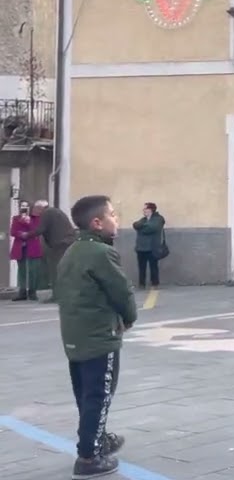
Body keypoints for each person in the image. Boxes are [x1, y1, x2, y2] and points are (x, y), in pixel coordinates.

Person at [58, 195, 137, 480]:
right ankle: (89, 456)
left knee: (86, 394)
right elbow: (122, 291)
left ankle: (98, 437)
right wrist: (128, 318)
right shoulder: (101, 254)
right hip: (99, 337)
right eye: (112, 215)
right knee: (99, 396)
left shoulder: (72, 251)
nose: (116, 219)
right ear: (97, 222)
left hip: (75, 337)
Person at [34, 200, 77, 302]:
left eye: (36, 208)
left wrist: (26, 234)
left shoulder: (47, 213)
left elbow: (41, 229)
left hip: (60, 245)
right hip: (66, 243)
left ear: (41, 208)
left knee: (56, 270)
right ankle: (63, 295)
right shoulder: (55, 211)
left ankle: (58, 296)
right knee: (62, 270)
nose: (34, 211)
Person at [10, 200, 41, 301]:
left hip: (32, 246)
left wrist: (28, 222)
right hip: (20, 246)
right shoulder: (16, 218)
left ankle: (32, 292)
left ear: (29, 208)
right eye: (22, 206)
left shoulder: (35, 218)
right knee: (21, 270)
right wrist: (22, 234)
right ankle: (22, 292)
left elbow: (36, 231)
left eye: (26, 206)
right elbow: (13, 231)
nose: (24, 208)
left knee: (33, 270)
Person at [130, 202, 165, 289]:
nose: (144, 210)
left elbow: (152, 228)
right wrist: (142, 226)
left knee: (153, 266)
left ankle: (155, 283)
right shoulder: (144, 219)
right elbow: (135, 224)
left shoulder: (158, 219)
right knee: (141, 267)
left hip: (152, 247)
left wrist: (141, 228)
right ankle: (142, 284)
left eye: (145, 209)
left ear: (151, 210)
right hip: (141, 248)